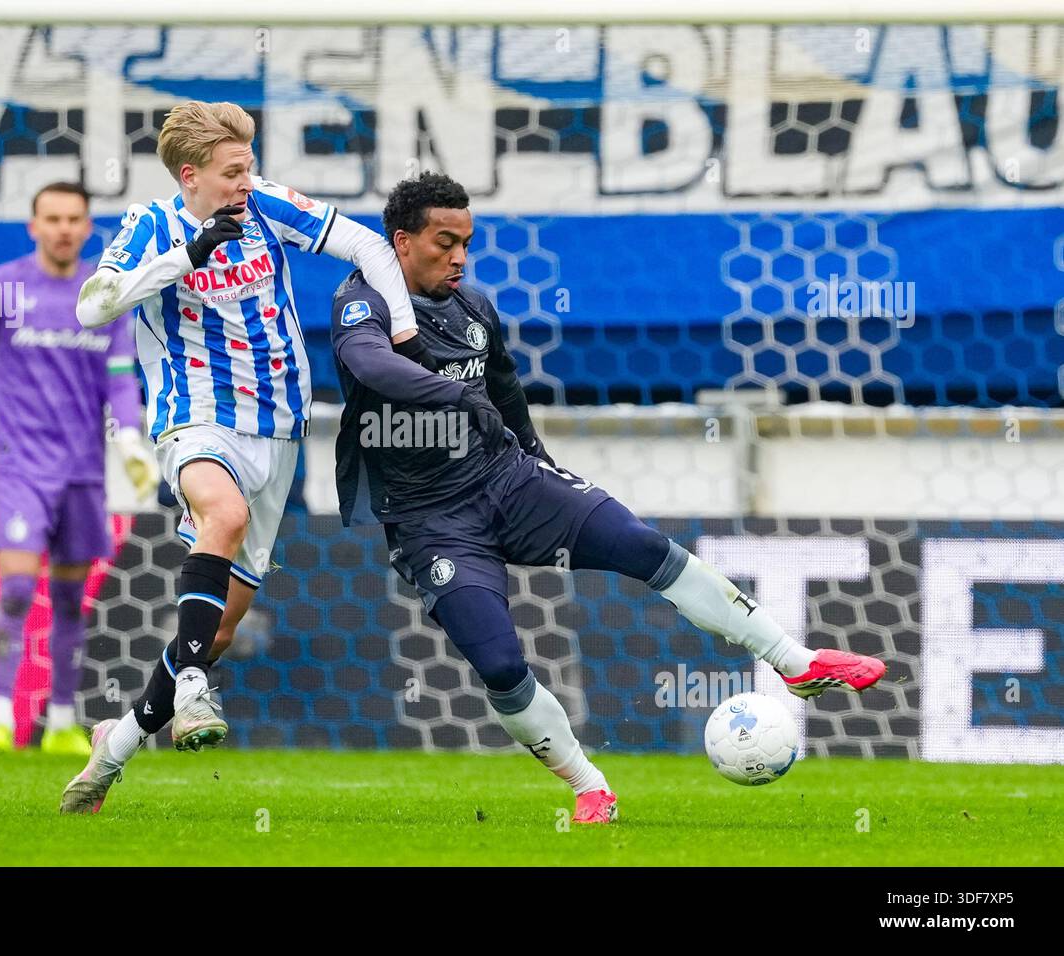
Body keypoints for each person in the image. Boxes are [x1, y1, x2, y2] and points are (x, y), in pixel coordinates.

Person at [328, 172, 886, 824]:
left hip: (509, 481)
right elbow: (369, 366)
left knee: (643, 545)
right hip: (431, 521)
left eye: (466, 242)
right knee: (501, 665)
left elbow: (503, 387)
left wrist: (536, 458)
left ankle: (795, 661)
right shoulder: (361, 302)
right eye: (443, 242)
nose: (458, 257)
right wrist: (451, 396)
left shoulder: (474, 307)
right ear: (400, 241)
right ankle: (589, 784)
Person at [60, 101, 419, 813]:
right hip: (196, 419)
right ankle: (193, 690)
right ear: (190, 176)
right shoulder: (152, 225)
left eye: (249, 165)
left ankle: (118, 745)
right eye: (231, 172)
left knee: (215, 630)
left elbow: (371, 249)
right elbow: (92, 307)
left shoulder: (268, 205)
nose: (244, 181)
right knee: (218, 514)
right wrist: (186, 255)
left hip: (280, 430)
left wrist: (404, 331)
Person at [0, 182, 158, 756]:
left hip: (83, 471)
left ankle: (58, 721)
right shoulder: (0, 288)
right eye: (51, 217)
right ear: (32, 225)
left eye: (73, 218)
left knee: (67, 598)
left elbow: (121, 375)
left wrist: (130, 437)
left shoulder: (103, 295)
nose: (62, 228)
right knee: (17, 588)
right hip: (18, 468)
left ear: (87, 227)